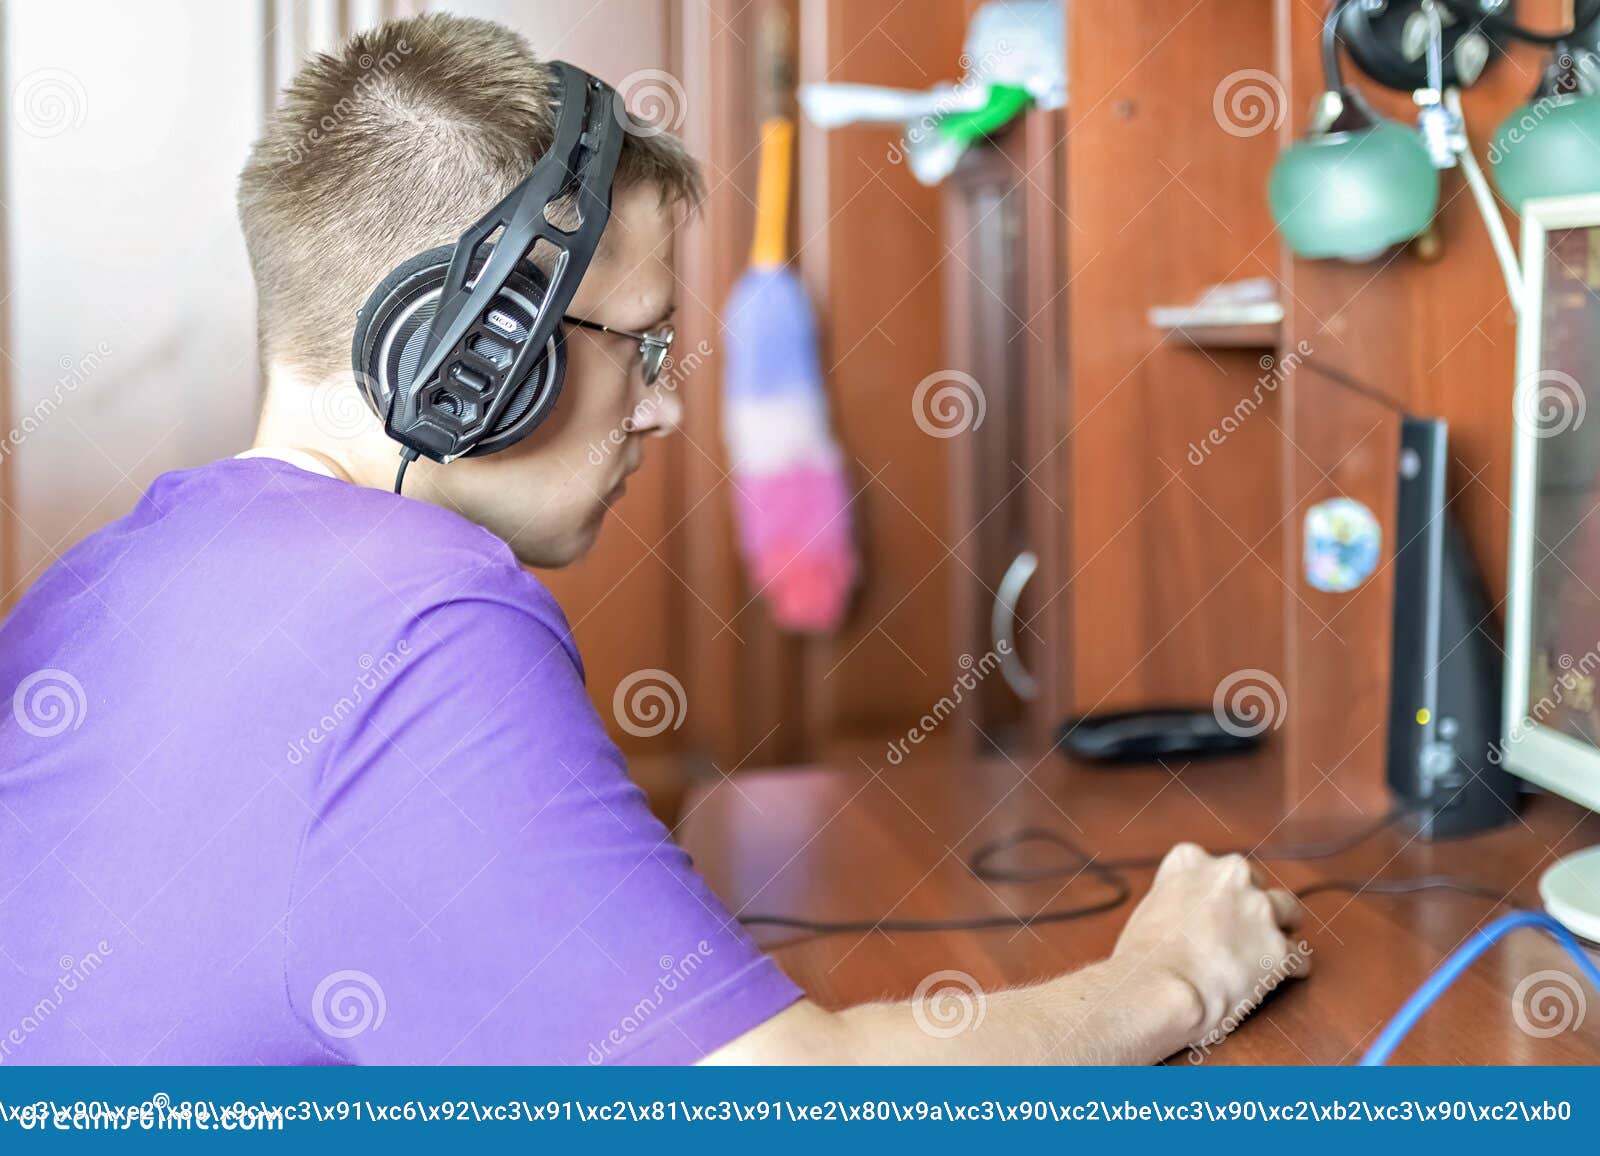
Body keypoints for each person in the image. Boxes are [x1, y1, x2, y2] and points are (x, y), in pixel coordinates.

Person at [0, 13, 1306, 1066]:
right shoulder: (416, 621)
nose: (668, 403)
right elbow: (772, 1105)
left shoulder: (104, 581)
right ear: (476, 358)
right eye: (646, 343)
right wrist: (1173, 975)